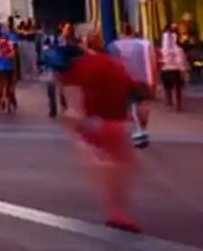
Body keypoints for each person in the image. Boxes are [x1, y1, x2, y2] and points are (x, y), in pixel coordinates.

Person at [49, 38, 140, 233]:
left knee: (108, 165)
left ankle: (116, 211)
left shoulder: (77, 72)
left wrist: (77, 124)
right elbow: (133, 91)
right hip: (114, 121)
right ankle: (118, 211)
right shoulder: (108, 64)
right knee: (119, 165)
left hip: (98, 121)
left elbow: (75, 109)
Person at [109, 23, 158, 148]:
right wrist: (153, 81)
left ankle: (136, 131)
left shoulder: (114, 45)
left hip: (124, 80)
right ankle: (143, 128)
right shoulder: (145, 44)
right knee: (143, 104)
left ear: (121, 33)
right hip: (143, 79)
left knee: (129, 106)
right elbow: (152, 61)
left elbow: (112, 65)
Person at [159, 23, 189, 111]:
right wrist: (183, 70)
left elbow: (160, 59)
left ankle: (169, 100)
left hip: (166, 68)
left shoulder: (163, 49)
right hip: (176, 69)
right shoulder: (178, 49)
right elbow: (181, 60)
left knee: (167, 86)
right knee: (177, 87)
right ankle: (177, 104)